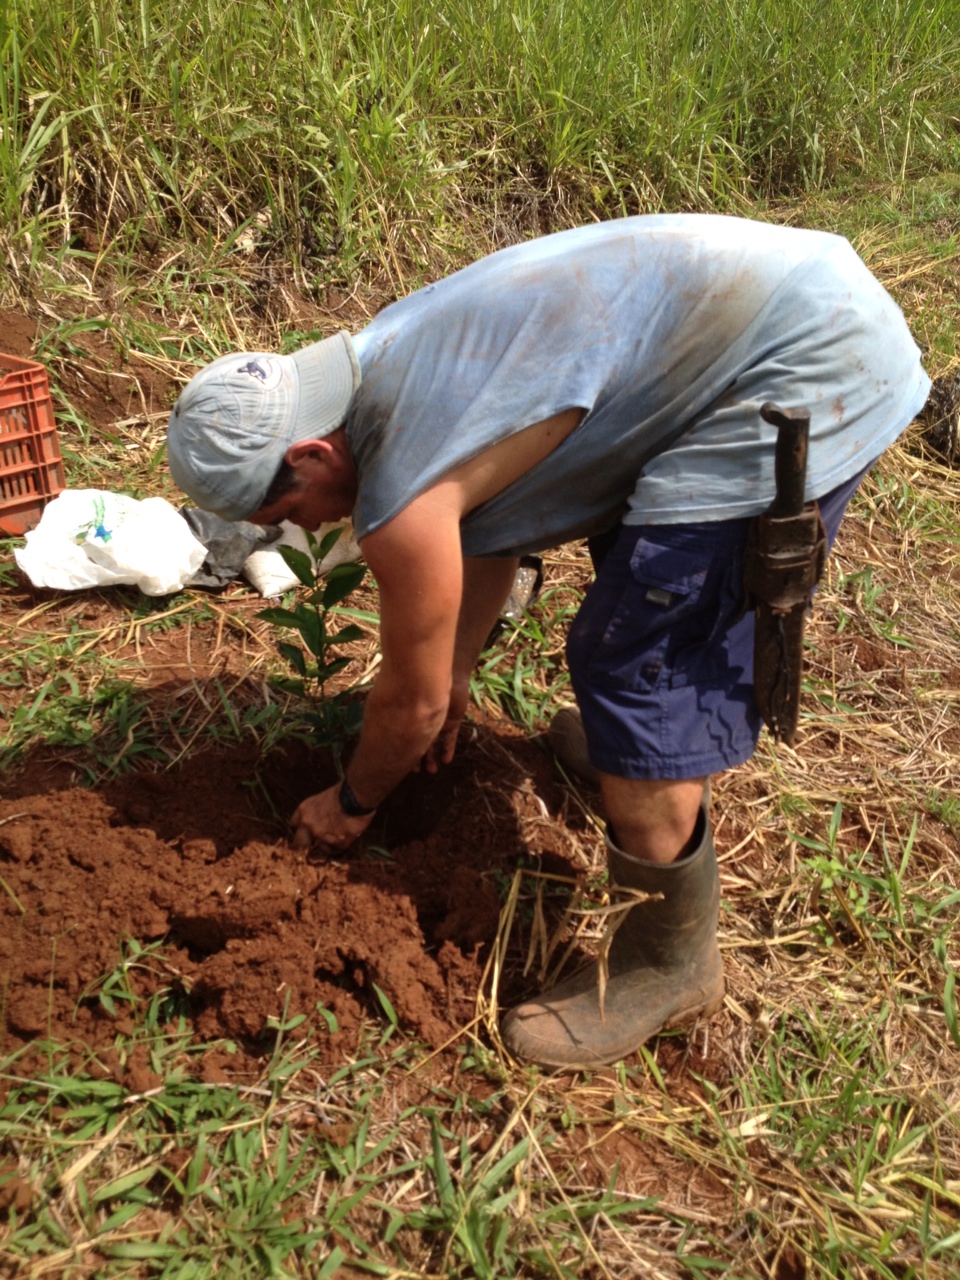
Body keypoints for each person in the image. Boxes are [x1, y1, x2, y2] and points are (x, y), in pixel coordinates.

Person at [166, 214, 929, 1069]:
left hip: (799, 360)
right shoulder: (377, 363)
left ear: (307, 452)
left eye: (283, 511)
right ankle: (628, 765)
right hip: (778, 302)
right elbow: (486, 524)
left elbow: (409, 707)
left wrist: (351, 803)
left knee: (638, 657)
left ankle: (669, 965)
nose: (301, 527)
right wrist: (457, 665)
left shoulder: (399, 493)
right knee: (636, 566)